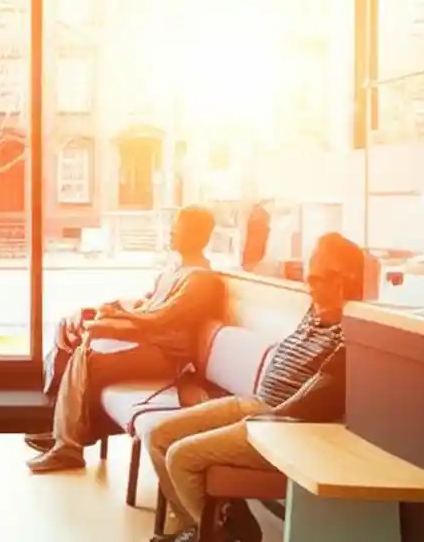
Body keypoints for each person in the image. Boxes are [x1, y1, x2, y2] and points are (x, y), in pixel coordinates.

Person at [147, 232, 365, 542]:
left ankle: (220, 535)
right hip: (256, 403)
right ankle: (202, 529)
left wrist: (269, 419)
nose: (309, 286)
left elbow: (323, 390)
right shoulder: (316, 310)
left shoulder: (355, 325)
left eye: (316, 278)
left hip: (287, 427)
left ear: (344, 279)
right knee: (158, 436)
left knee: (181, 457)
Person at [26, 205, 225, 473]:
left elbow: (161, 319)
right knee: (81, 339)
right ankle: (65, 433)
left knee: (88, 357)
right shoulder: (174, 271)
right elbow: (145, 304)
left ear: (197, 234)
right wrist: (106, 311)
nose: (171, 232)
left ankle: (68, 446)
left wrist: (116, 316)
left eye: (178, 227)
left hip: (167, 358)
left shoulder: (201, 279)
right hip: (148, 348)